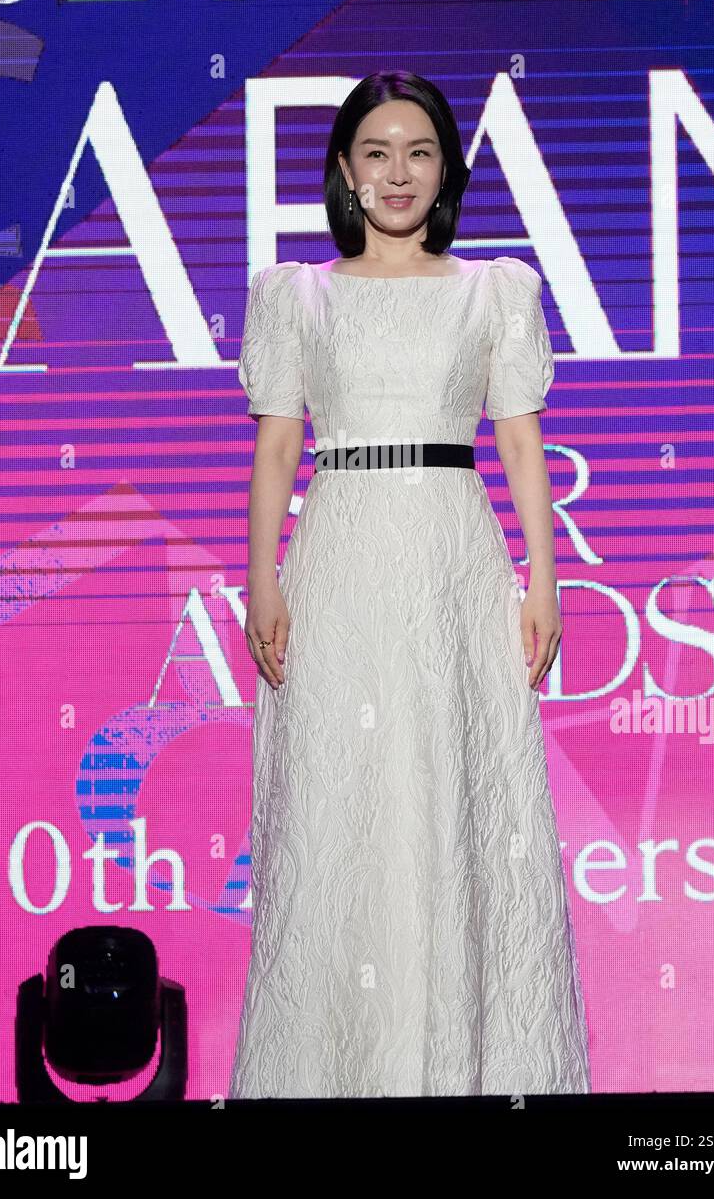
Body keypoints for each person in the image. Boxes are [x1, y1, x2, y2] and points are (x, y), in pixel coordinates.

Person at [229, 70, 590, 1098]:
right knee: (338, 808)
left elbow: (519, 442)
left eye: (418, 152)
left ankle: (459, 1072)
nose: (397, 173)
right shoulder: (297, 295)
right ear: (344, 169)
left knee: (452, 796)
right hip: (336, 557)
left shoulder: (491, 291)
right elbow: (274, 453)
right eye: (376, 153)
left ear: (445, 171)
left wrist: (541, 580)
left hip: (450, 560)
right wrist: (261, 584)